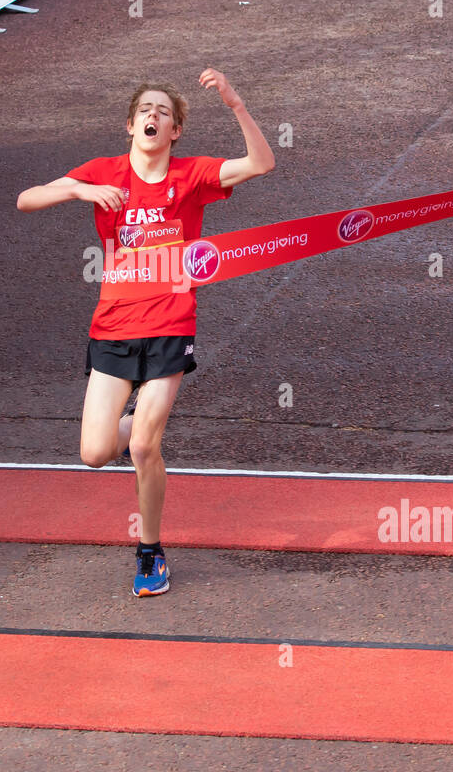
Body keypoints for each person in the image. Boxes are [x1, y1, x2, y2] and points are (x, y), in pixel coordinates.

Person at [17, 69, 274, 594]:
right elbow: (27, 199)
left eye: (163, 112)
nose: (152, 117)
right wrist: (81, 192)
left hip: (170, 327)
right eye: (145, 111)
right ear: (130, 124)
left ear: (175, 130)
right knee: (93, 452)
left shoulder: (191, 175)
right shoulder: (104, 172)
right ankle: (137, 422)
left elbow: (263, 163)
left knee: (144, 449)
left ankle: (150, 551)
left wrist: (235, 103)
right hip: (113, 328)